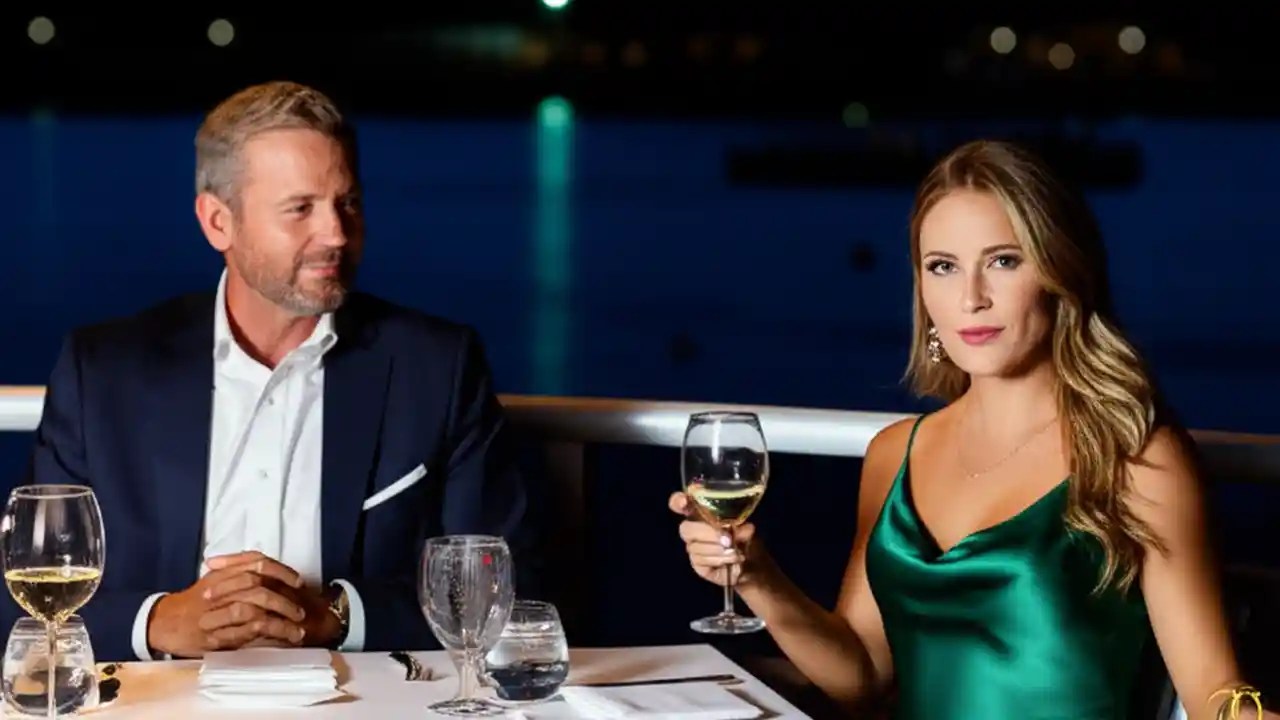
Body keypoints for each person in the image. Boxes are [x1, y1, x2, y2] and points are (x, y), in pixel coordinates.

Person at [671, 140, 1275, 719]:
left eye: (1003, 262)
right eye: (943, 267)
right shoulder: (894, 455)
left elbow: (1214, 690)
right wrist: (756, 576)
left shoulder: (1135, 460)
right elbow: (861, 679)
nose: (971, 298)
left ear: (1061, 272)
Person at [10, 81, 540, 662]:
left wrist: (336, 615)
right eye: (300, 209)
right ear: (219, 223)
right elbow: (24, 592)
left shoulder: (436, 366)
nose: (336, 233)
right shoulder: (104, 371)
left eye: (349, 203)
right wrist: (160, 622)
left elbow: (504, 592)